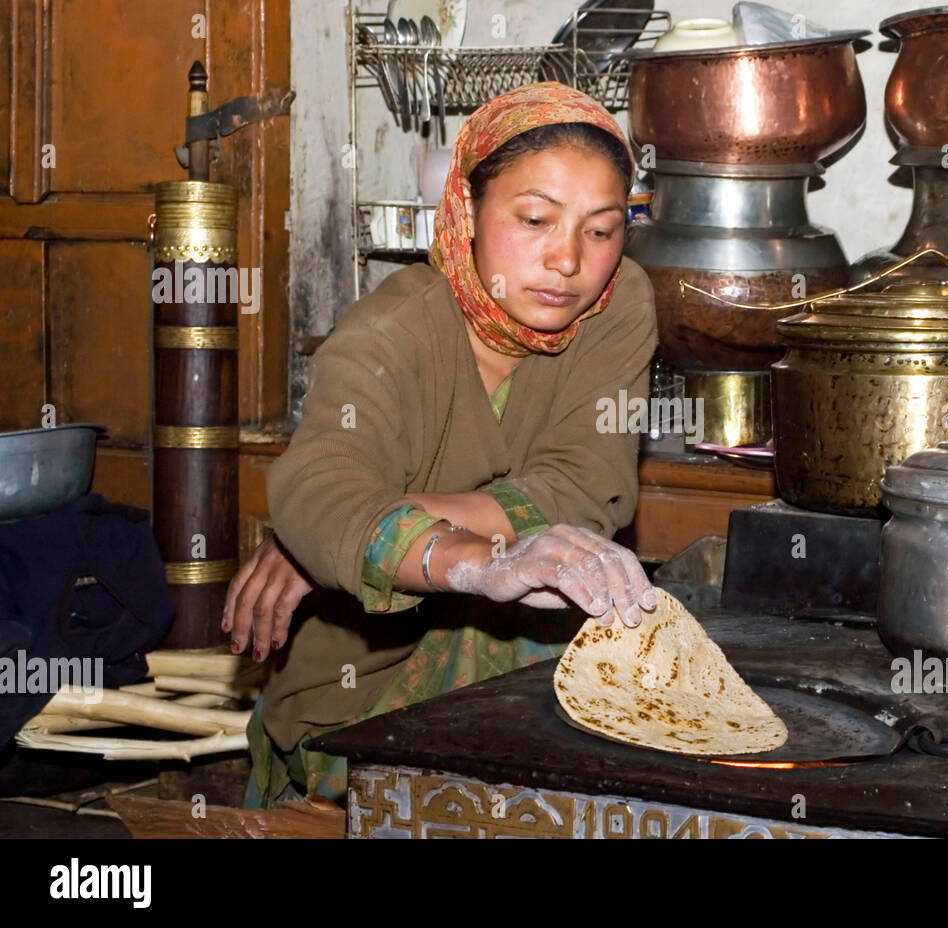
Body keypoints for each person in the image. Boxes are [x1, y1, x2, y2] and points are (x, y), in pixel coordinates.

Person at [224, 83, 659, 807]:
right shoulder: (388, 337)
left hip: (528, 665)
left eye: (601, 230)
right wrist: (478, 565)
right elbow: (321, 489)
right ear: (463, 209)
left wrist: (377, 525)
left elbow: (586, 491)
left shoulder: (616, 305)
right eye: (534, 219)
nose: (567, 260)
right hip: (364, 695)